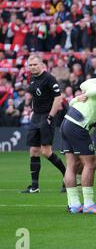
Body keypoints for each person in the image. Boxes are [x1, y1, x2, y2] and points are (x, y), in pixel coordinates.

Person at [60, 76, 96, 214]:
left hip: (67, 121)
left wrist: (77, 98)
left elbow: (82, 84)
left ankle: (74, 204)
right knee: (91, 164)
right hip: (78, 124)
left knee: (72, 165)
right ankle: (88, 204)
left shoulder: (91, 84)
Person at [22, 54, 66, 194]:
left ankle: (67, 176)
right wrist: (29, 108)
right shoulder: (33, 79)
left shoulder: (49, 78)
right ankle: (34, 187)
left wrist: (50, 116)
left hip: (46, 117)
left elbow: (58, 98)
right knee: (33, 151)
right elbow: (33, 95)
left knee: (46, 152)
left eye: (35, 64)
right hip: (36, 117)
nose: (33, 67)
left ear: (42, 65)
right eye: (31, 65)